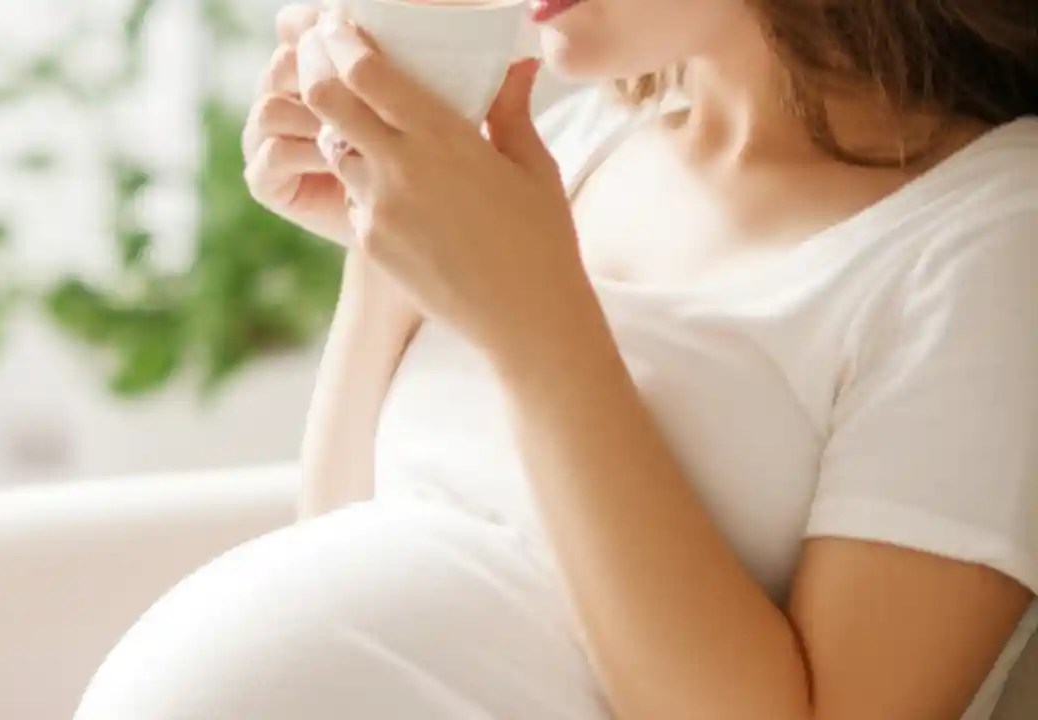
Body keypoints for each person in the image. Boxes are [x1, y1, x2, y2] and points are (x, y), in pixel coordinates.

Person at [75, 1, 1038, 718]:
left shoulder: (995, 235)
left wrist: (537, 323)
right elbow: (345, 539)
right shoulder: (573, 144)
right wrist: (390, 248)